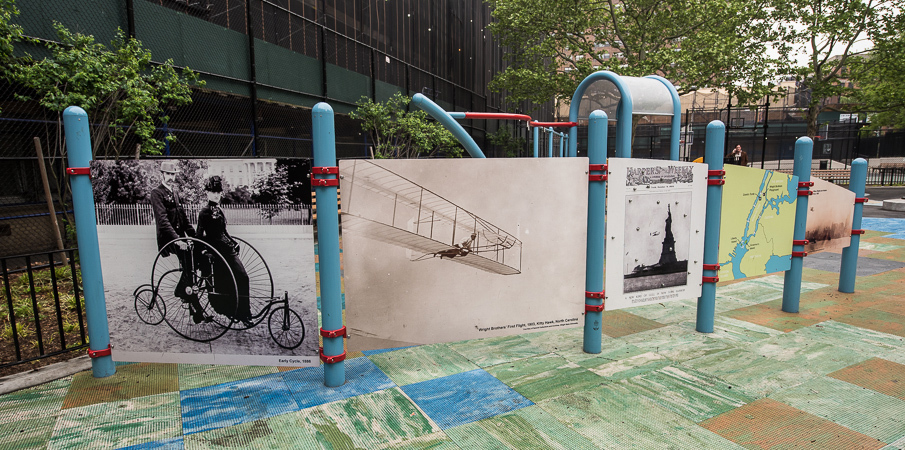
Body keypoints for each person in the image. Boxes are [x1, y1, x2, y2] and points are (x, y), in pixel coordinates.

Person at [149, 161, 209, 324]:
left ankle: (191, 301)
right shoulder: (157, 193)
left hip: (180, 236)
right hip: (168, 238)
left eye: (173, 174)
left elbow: (183, 218)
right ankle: (183, 293)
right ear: (162, 174)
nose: (170, 177)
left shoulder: (174, 192)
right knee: (189, 266)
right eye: (168, 174)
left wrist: (193, 235)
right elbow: (162, 221)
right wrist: (178, 241)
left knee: (194, 261)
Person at [196, 175, 253, 328]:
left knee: (242, 278)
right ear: (207, 193)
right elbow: (199, 236)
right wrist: (203, 252)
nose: (216, 195)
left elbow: (224, 232)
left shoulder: (219, 211)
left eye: (218, 192)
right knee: (229, 282)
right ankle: (234, 312)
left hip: (227, 251)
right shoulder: (204, 212)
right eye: (213, 192)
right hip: (217, 254)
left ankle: (244, 312)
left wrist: (233, 243)